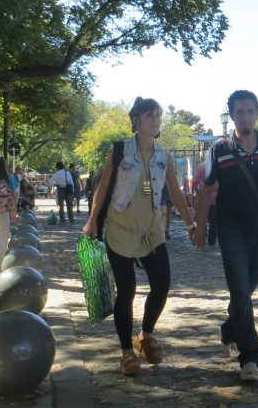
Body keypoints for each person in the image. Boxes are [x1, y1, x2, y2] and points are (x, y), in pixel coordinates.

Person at [82, 97, 196, 377]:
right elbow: (103, 187)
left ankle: (145, 335)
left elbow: (175, 192)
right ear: (136, 121)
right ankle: (126, 353)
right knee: (127, 290)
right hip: (120, 228)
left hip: (152, 231)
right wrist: (93, 218)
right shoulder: (120, 150)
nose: (155, 120)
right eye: (149, 116)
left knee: (162, 284)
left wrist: (191, 224)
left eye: (158, 115)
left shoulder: (163, 156)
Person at [192, 90, 258, 383]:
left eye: (250, 111)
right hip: (230, 229)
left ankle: (229, 329)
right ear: (232, 115)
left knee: (244, 291)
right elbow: (206, 190)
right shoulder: (220, 149)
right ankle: (250, 358)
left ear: (257, 113)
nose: (245, 116)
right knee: (239, 289)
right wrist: (200, 227)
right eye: (240, 111)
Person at [191, 157, 218, 246]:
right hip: (217, 199)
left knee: (202, 218)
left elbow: (194, 182)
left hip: (204, 198)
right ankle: (211, 241)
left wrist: (199, 192)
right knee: (213, 221)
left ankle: (201, 237)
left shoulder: (202, 167)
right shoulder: (219, 165)